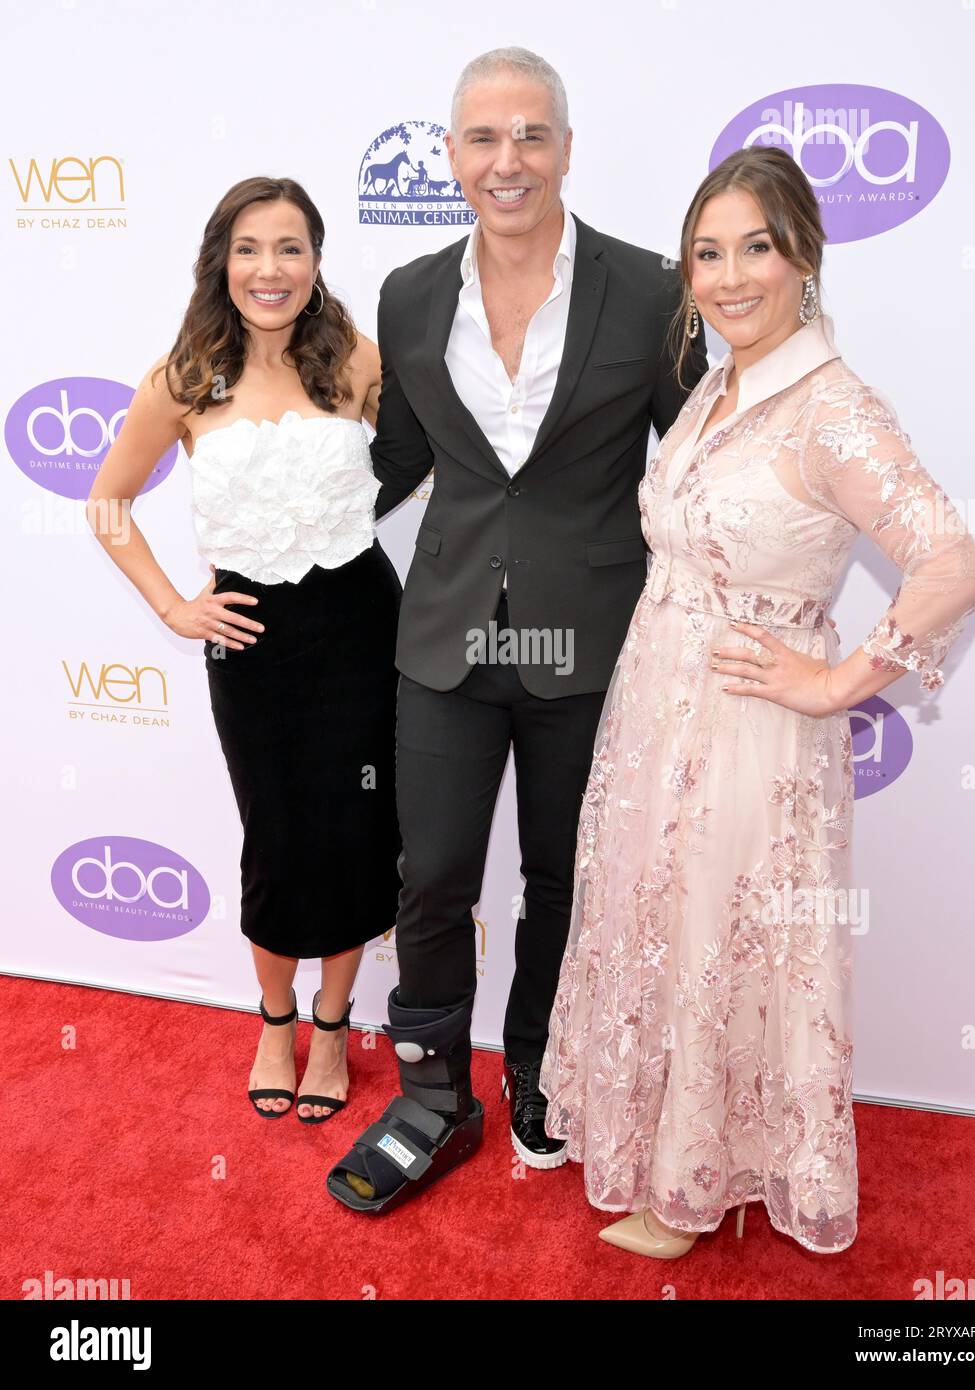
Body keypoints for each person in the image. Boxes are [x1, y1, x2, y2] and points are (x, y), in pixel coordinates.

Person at [539, 145, 975, 1258]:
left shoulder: (829, 407)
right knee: (664, 929)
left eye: (756, 247)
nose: (728, 275)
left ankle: (690, 1188)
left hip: (749, 731)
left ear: (803, 260)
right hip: (658, 706)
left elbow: (950, 565)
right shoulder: (718, 384)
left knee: (716, 937)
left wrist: (836, 680)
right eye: (706, 251)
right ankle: (683, 1155)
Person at [326, 47, 707, 1213]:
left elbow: (693, 465)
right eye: (483, 139)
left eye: (530, 135)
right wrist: (276, 493)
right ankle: (433, 1092)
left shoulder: (649, 291)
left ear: (566, 150)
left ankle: (540, 1067)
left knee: (561, 879)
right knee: (431, 876)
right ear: (449, 157)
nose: (508, 161)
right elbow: (394, 465)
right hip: (446, 637)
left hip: (586, 644)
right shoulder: (404, 291)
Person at [86, 176, 403, 1124]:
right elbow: (108, 503)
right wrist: (174, 606)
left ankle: (337, 1026)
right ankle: (275, 1019)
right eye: (250, 248)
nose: (271, 269)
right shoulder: (183, 377)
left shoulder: (355, 361)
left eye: (291, 248)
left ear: (315, 260)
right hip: (250, 639)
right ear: (221, 260)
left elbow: (442, 464)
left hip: (358, 627)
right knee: (275, 835)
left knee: (355, 836)